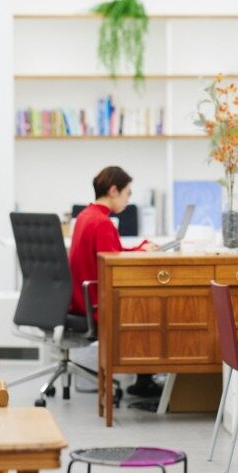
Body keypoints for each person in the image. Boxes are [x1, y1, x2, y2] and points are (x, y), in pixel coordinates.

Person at [68, 166, 160, 397]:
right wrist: (142, 252)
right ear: (113, 191)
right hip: (95, 306)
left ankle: (145, 378)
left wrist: (140, 249)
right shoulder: (102, 222)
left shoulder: (86, 216)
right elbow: (116, 266)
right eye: (127, 193)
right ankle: (145, 381)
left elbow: (112, 254)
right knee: (150, 311)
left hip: (79, 300)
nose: (128, 200)